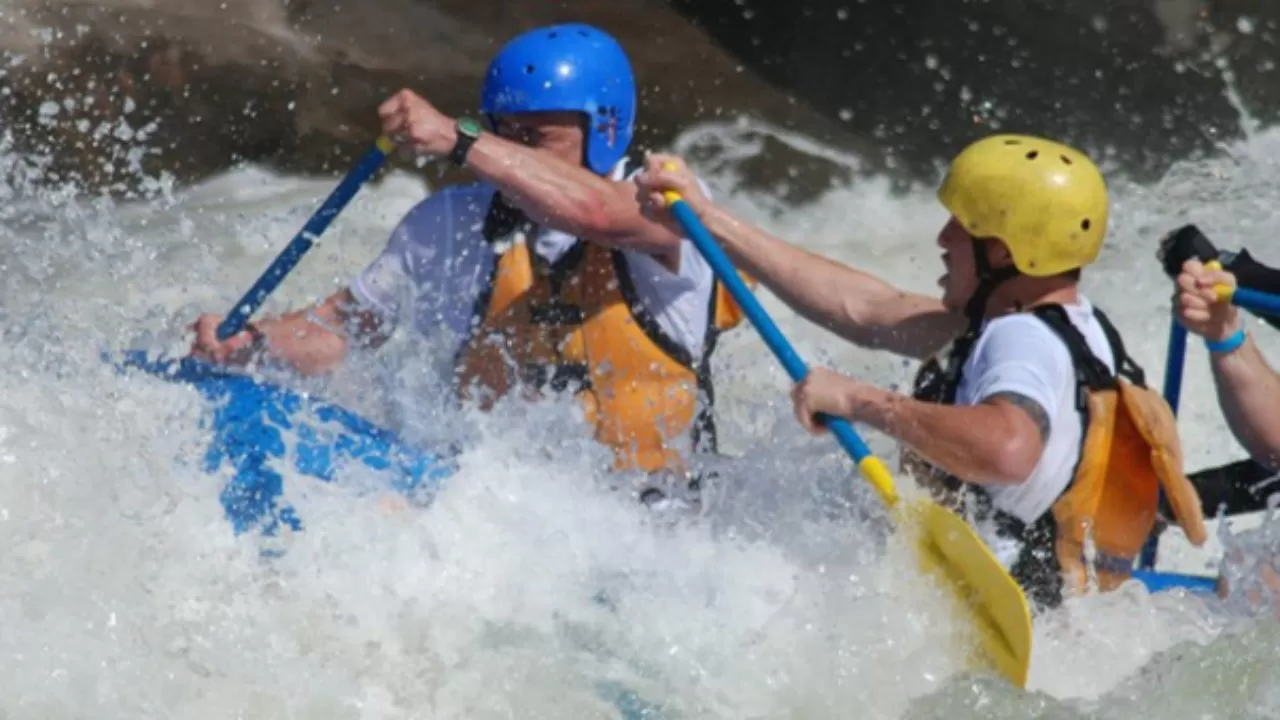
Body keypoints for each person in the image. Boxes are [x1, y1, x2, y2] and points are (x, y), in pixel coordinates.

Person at [635, 134, 1208, 609]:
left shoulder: (1020, 340)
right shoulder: (1072, 328)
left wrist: (863, 403)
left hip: (1009, 622)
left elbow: (1010, 449)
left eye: (961, 226)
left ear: (1003, 252)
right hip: (1065, 617)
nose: (943, 239)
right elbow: (863, 308)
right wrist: (707, 222)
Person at [187, 23, 751, 501]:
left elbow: (598, 215)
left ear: (604, 130)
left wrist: (458, 138)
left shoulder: (666, 206)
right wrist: (256, 343)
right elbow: (344, 328)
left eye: (535, 137)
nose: (510, 153)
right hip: (490, 515)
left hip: (652, 521)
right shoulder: (452, 222)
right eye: (503, 132)